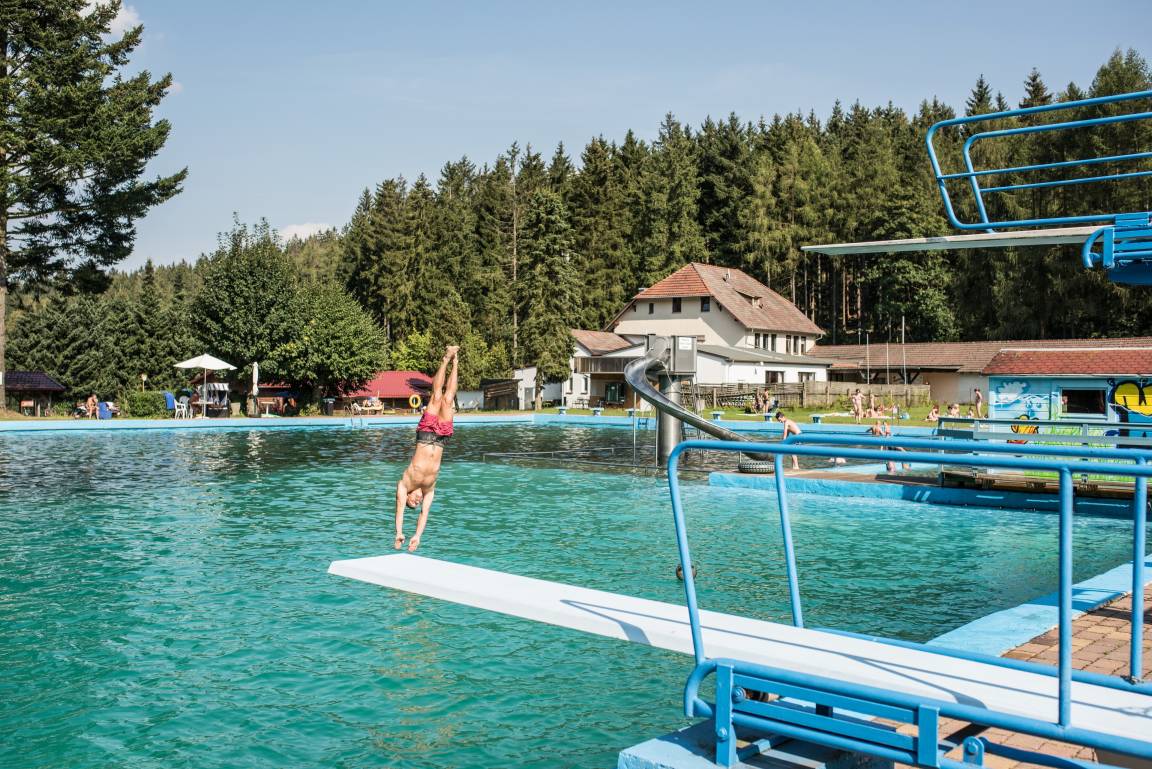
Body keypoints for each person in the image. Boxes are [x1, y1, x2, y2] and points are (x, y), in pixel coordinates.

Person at [395, 345, 459, 553]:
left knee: (436, 397)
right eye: (417, 503)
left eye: (413, 502)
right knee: (448, 399)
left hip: (425, 435)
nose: (417, 501)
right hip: (441, 439)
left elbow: (400, 509)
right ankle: (456, 361)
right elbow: (424, 514)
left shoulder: (405, 484)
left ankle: (445, 358)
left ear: (407, 496)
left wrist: (399, 532)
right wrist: (417, 536)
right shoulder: (429, 490)